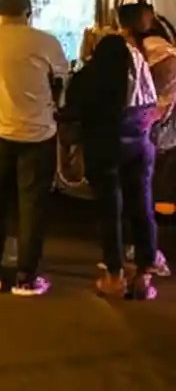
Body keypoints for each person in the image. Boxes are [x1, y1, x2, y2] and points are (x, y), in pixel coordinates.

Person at [0, 0, 70, 296]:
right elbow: (62, 81)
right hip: (38, 134)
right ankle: (27, 275)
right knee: (32, 205)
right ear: (28, 9)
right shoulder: (47, 42)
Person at [64, 33, 160, 300]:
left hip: (103, 151)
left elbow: (72, 109)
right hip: (139, 148)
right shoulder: (139, 74)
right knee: (142, 208)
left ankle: (114, 275)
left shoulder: (88, 77)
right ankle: (143, 275)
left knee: (109, 213)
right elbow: (152, 107)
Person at [110, 3, 174, 275]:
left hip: (136, 133)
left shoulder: (127, 50)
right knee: (145, 195)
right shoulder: (161, 51)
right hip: (154, 134)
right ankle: (145, 253)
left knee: (133, 195)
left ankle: (134, 252)